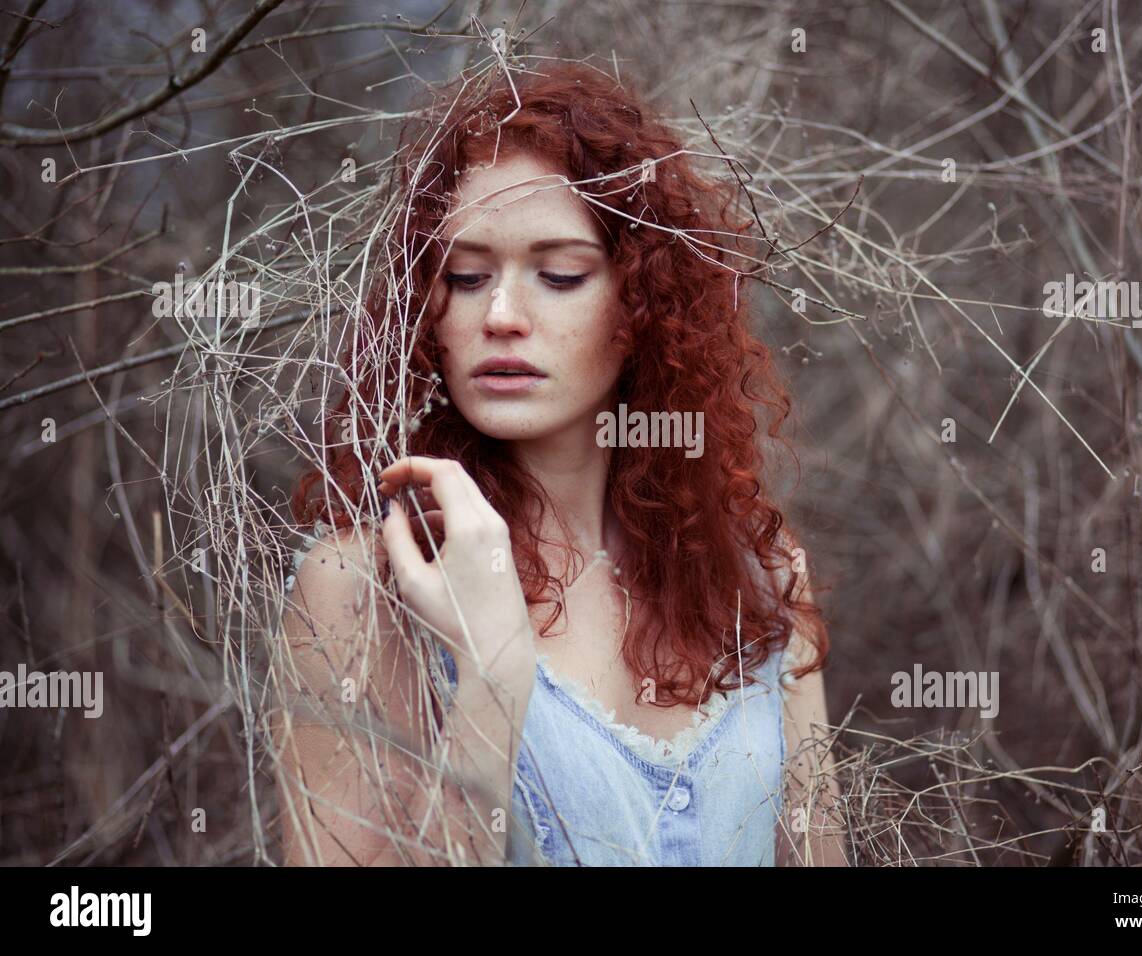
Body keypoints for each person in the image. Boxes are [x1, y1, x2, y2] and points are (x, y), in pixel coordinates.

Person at [272, 61, 847, 866]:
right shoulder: (364, 588)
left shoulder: (759, 581)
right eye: (466, 277)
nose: (501, 315)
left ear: (642, 305)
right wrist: (492, 676)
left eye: (560, 274)